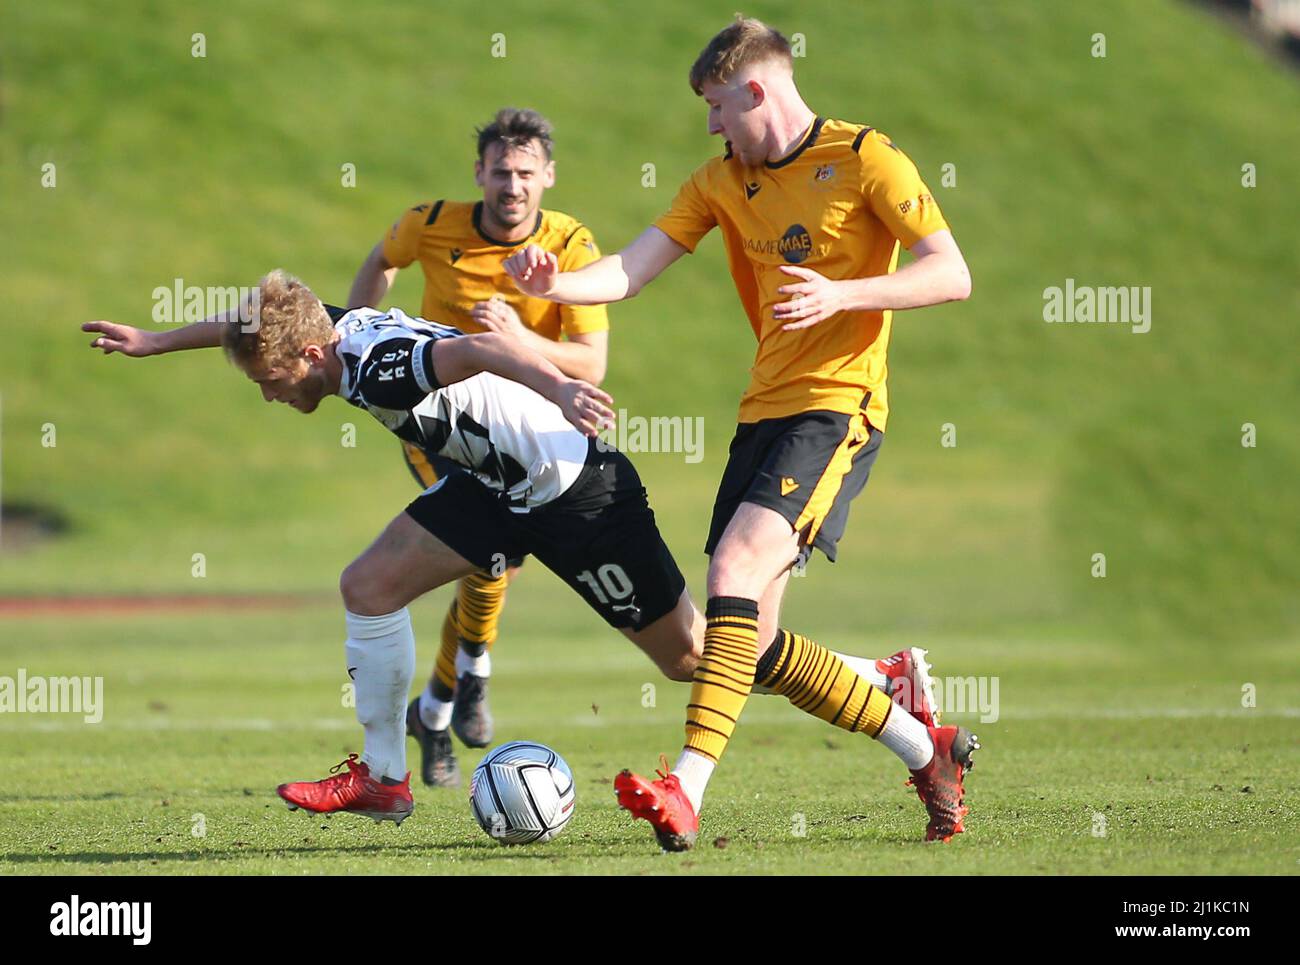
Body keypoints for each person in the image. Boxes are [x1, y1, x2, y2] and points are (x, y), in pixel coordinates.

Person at [84, 270, 943, 829]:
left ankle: (892, 702)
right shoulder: (324, 329)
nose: (271, 397)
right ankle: (385, 778)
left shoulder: (379, 367)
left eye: (272, 383)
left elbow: (483, 348)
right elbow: (248, 318)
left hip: (578, 493)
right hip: (497, 488)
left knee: (699, 656)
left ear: (312, 355)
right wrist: (154, 341)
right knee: (369, 585)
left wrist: (561, 384)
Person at [503, 16, 978, 848]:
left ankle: (685, 788)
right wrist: (558, 278)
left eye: (720, 109)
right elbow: (631, 268)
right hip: (762, 413)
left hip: (838, 408)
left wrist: (844, 295)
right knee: (744, 642)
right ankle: (922, 742)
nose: (714, 128)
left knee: (734, 567)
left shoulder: (866, 157)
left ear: (757, 90)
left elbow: (952, 272)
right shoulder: (721, 181)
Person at [347, 108, 609, 786]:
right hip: (438, 423)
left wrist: (518, 337)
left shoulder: (570, 244)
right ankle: (471, 678)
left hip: (525, 429)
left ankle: (434, 710)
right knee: (491, 553)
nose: (512, 186)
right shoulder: (431, 224)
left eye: (526, 173)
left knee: (490, 561)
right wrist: (358, 329)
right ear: (479, 175)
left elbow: (590, 364)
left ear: (548, 176)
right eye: (500, 172)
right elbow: (382, 259)